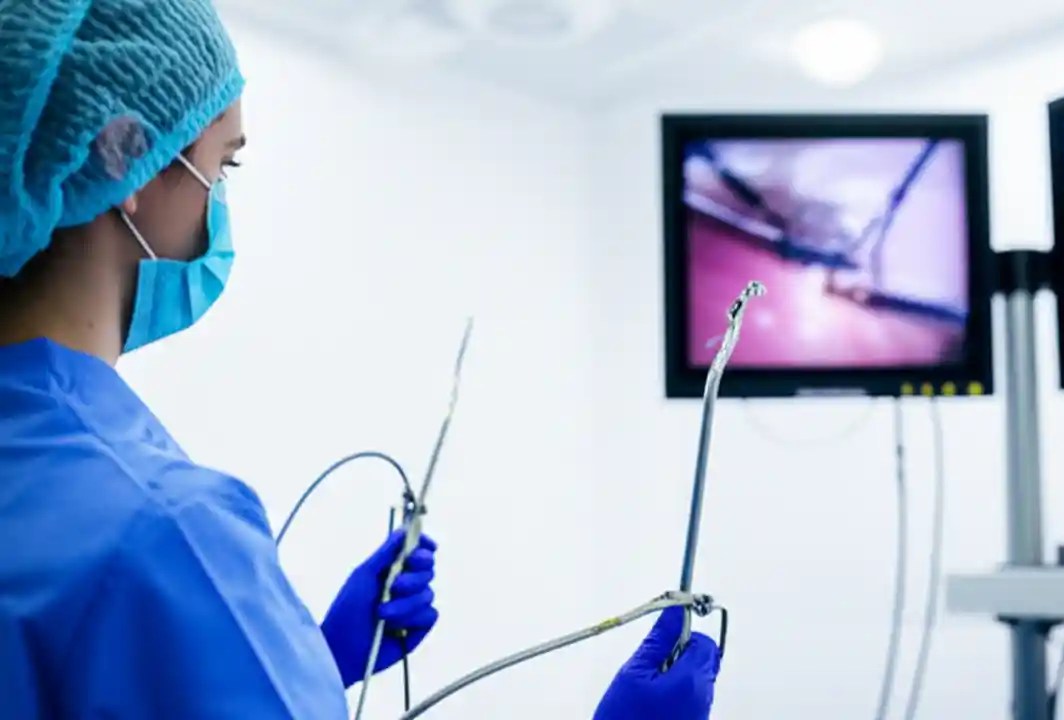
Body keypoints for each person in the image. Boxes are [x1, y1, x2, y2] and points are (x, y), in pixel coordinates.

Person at [0, 1, 722, 718]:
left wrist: (309, 659)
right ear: (124, 151)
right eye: (223, 166)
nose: (217, 206)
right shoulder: (162, 530)